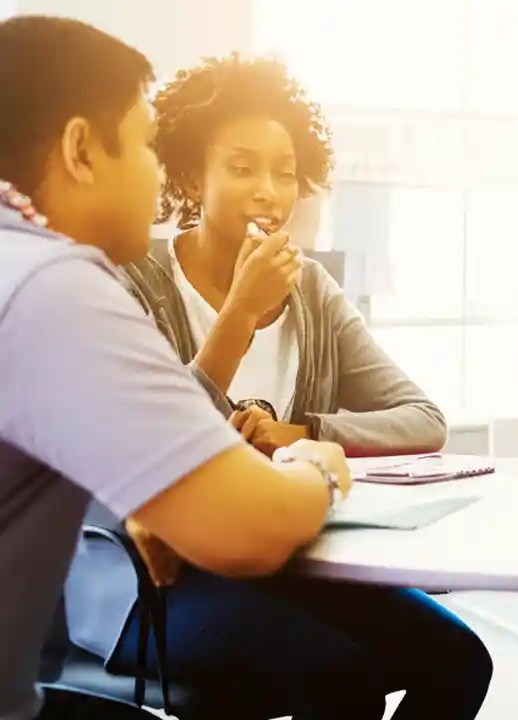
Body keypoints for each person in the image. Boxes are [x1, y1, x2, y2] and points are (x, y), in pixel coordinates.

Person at [63, 54, 492, 719]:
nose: (269, 190)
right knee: (338, 678)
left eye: (285, 173)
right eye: (240, 168)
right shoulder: (130, 278)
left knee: (460, 658)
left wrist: (307, 433)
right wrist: (237, 314)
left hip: (277, 564)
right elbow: (152, 444)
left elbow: (421, 418)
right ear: (189, 175)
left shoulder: (311, 291)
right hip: (151, 579)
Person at [0, 15, 352, 720]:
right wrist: (322, 465)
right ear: (80, 149)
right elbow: (250, 531)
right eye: (148, 146)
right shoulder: (53, 287)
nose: (160, 173)